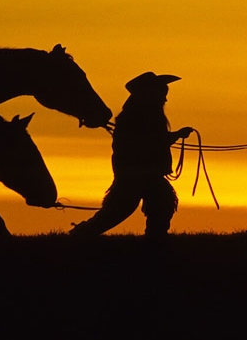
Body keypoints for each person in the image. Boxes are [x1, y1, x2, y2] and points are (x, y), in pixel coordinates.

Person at [70, 72, 194, 238]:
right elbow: (149, 142)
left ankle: (155, 239)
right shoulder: (139, 117)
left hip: (139, 174)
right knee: (120, 211)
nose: (165, 100)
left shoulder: (136, 115)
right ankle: (81, 235)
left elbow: (152, 141)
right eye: (161, 95)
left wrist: (174, 136)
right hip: (136, 174)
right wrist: (176, 135)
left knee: (157, 205)